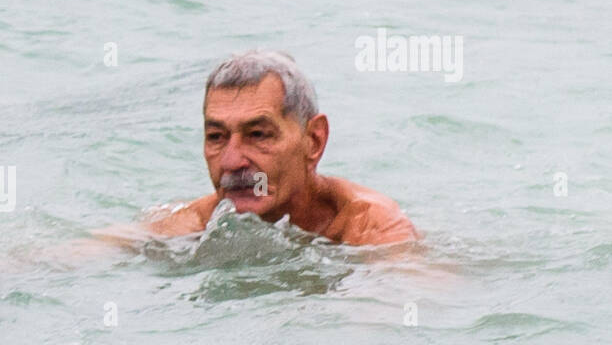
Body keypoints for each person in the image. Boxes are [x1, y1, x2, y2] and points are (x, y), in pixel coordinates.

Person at [103, 50, 418, 247]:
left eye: (257, 135)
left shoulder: (371, 228)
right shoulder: (187, 226)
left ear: (314, 141)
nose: (231, 162)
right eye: (216, 137)